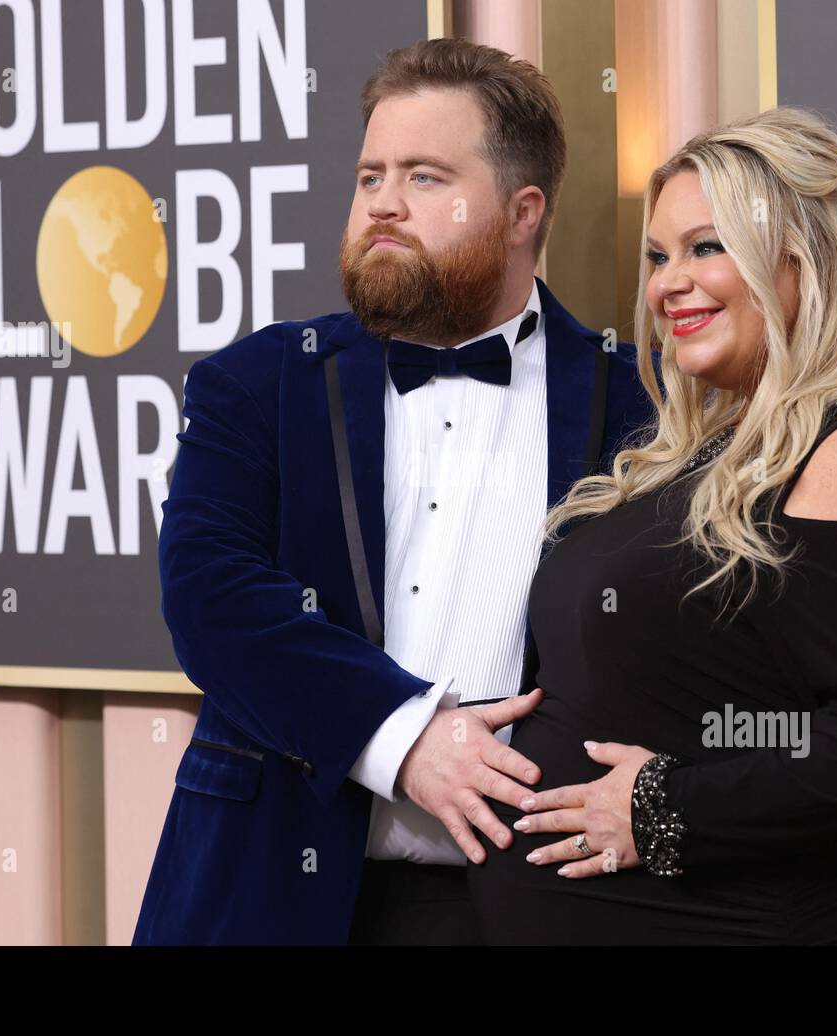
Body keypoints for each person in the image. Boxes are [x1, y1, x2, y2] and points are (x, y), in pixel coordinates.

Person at [467, 106, 837, 945]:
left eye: (708, 247)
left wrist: (665, 808)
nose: (669, 282)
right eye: (658, 256)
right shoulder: (720, 448)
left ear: (805, 257)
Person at [132, 37, 653, 945]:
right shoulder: (256, 383)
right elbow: (209, 598)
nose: (381, 204)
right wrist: (403, 737)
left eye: (421, 177)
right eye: (370, 175)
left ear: (522, 210)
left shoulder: (638, 403)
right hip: (271, 890)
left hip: (537, 908)